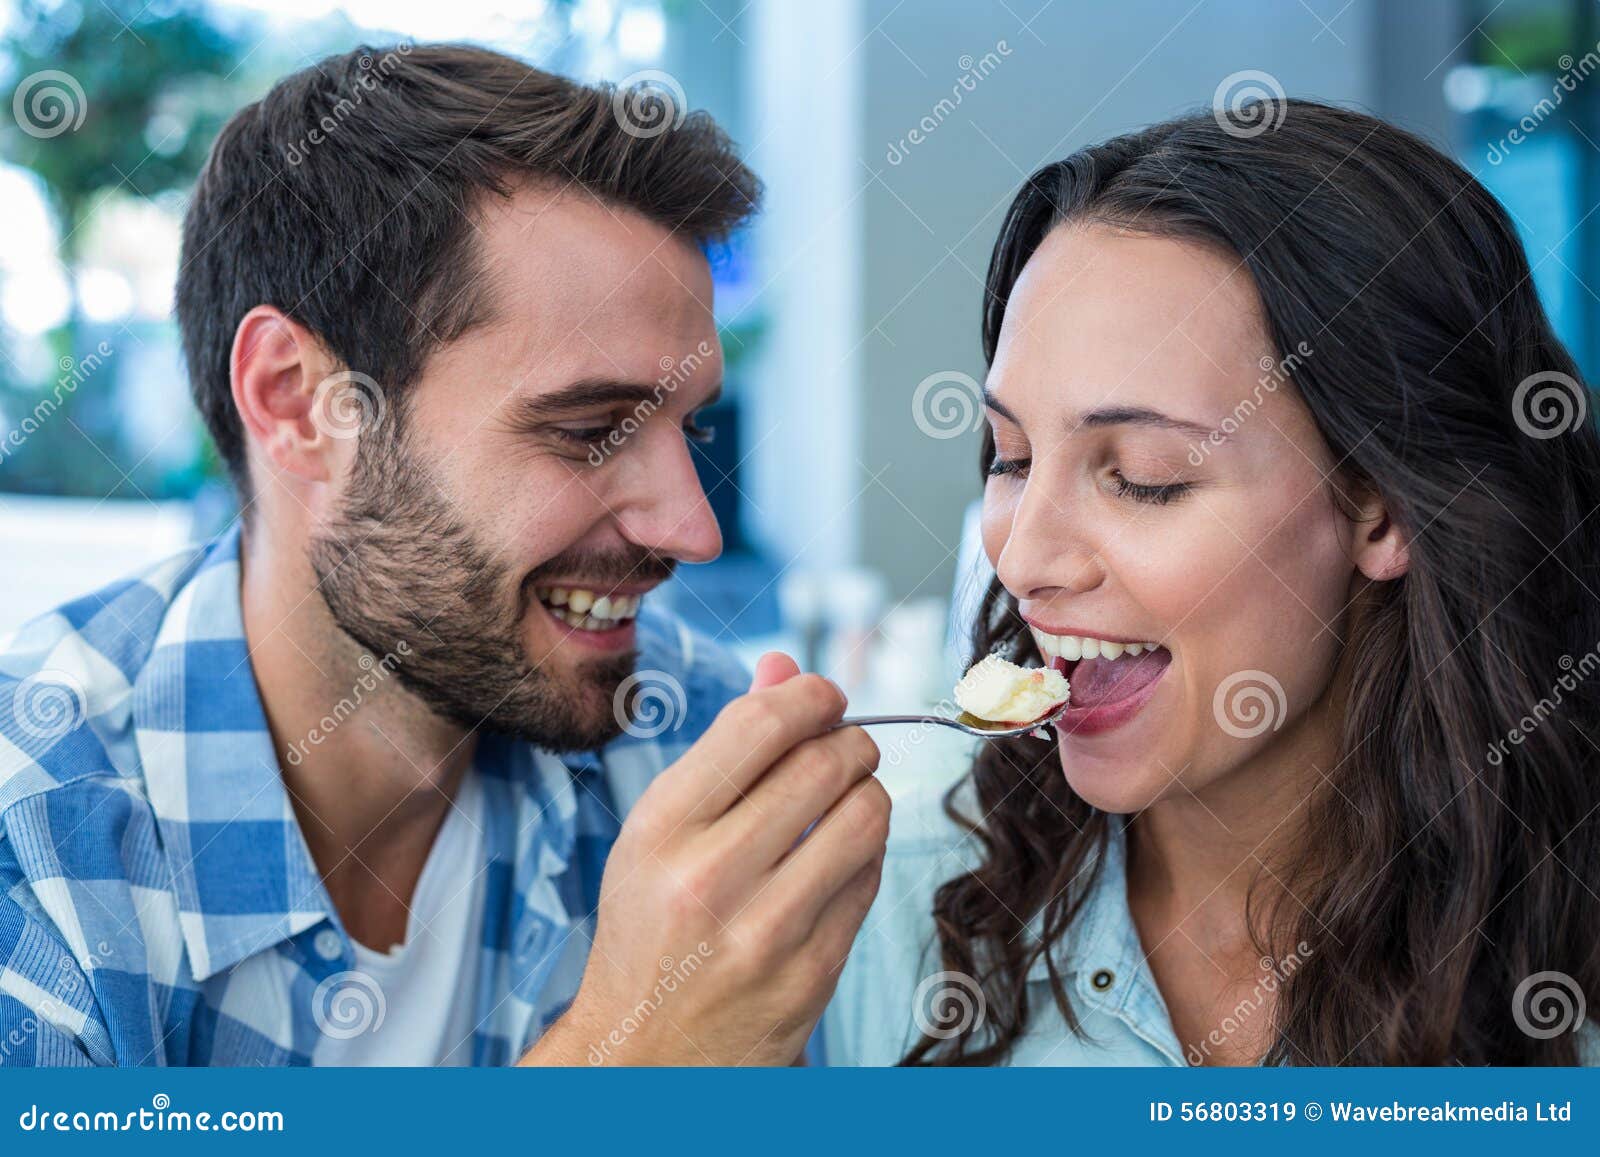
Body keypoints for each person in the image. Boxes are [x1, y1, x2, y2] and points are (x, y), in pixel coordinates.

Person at [0, 43, 889, 1067]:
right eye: (591, 430)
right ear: (298, 404)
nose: (693, 530)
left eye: (686, 429)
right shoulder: (44, 846)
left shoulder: (689, 752)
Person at [825, 100, 1600, 1066]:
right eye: (1012, 456)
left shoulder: (1564, 962)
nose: (1022, 560)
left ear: (1384, 506)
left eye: (1145, 477)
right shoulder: (884, 910)